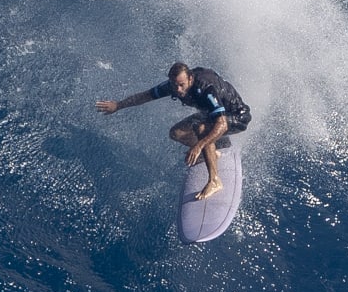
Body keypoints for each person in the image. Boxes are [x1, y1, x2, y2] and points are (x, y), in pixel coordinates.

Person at [96, 61, 250, 199]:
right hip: (211, 115)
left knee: (202, 129)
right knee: (177, 133)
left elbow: (222, 124)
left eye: (181, 85)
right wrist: (118, 105)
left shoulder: (206, 89)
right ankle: (213, 151)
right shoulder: (173, 86)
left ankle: (215, 181)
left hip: (237, 117)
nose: (178, 89)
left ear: (190, 78)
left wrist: (198, 146)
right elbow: (147, 96)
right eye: (175, 85)